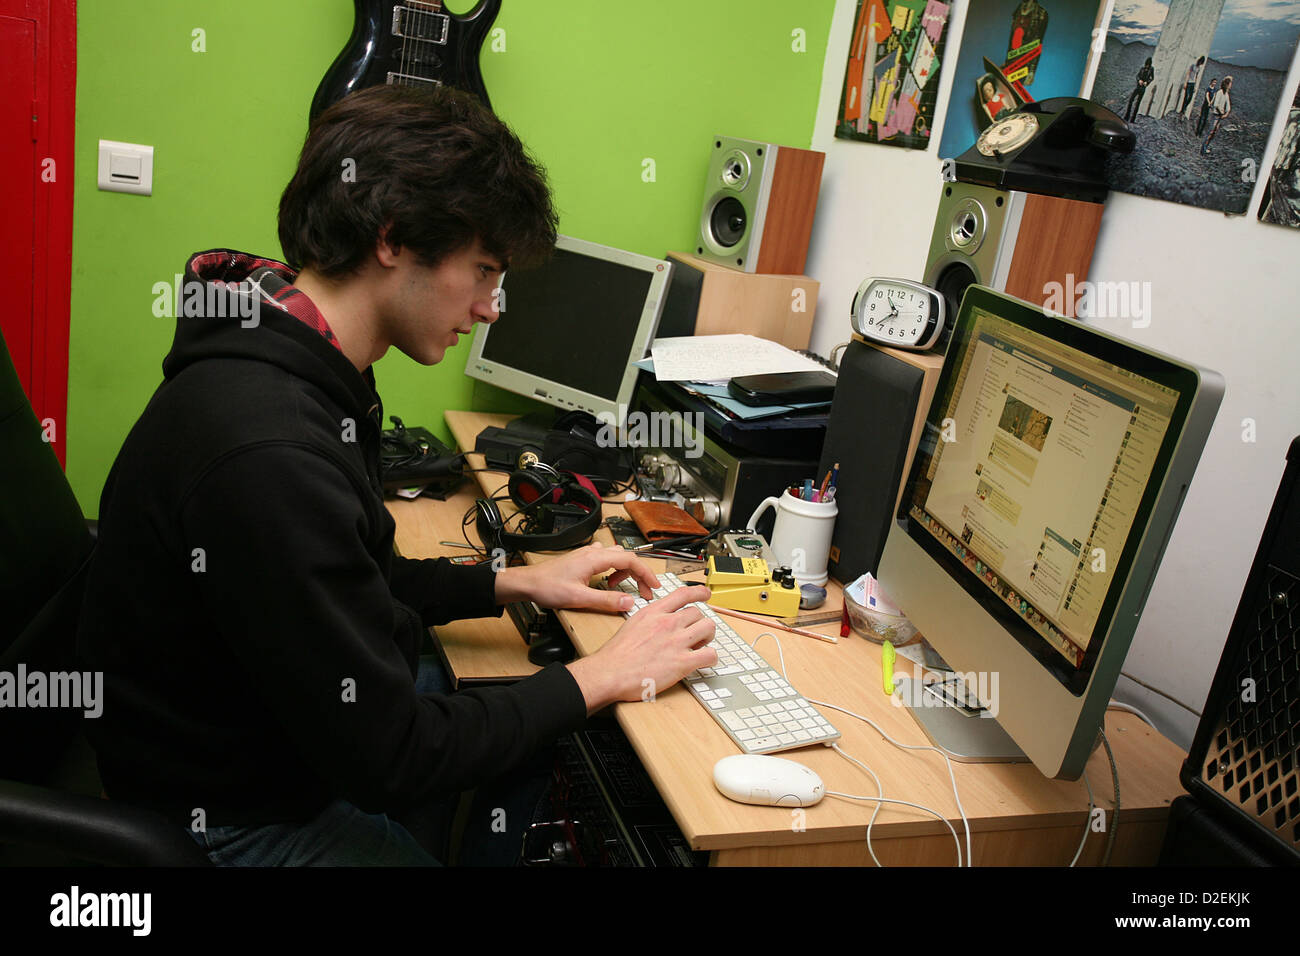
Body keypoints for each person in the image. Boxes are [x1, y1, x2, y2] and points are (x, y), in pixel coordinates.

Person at [76, 85, 718, 866]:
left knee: (495, 716)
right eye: (482, 269)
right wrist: (605, 673)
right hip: (226, 818)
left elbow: (358, 581)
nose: (491, 307)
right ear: (393, 240)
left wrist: (514, 585)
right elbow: (393, 756)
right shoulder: (273, 451)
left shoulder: (292, 356)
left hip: (249, 737)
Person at [1201, 75, 1233, 155]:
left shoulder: (1226, 94)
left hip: (1220, 117)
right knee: (1210, 132)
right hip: (1216, 115)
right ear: (1226, 84)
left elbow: (1228, 107)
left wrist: (1226, 114)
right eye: (1230, 84)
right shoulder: (1220, 92)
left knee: (1214, 133)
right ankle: (1203, 148)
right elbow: (1216, 105)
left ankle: (1206, 147)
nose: (1231, 85)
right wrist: (1222, 113)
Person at [1124, 57, 1155, 123]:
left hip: (1143, 88)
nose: (1147, 66)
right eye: (1146, 65)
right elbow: (1137, 76)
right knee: (1131, 100)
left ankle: (1132, 119)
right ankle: (1127, 116)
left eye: (1148, 65)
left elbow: (1152, 78)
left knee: (1138, 103)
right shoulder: (1142, 68)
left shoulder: (1151, 69)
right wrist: (1139, 80)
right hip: (1138, 86)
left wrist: (1147, 82)